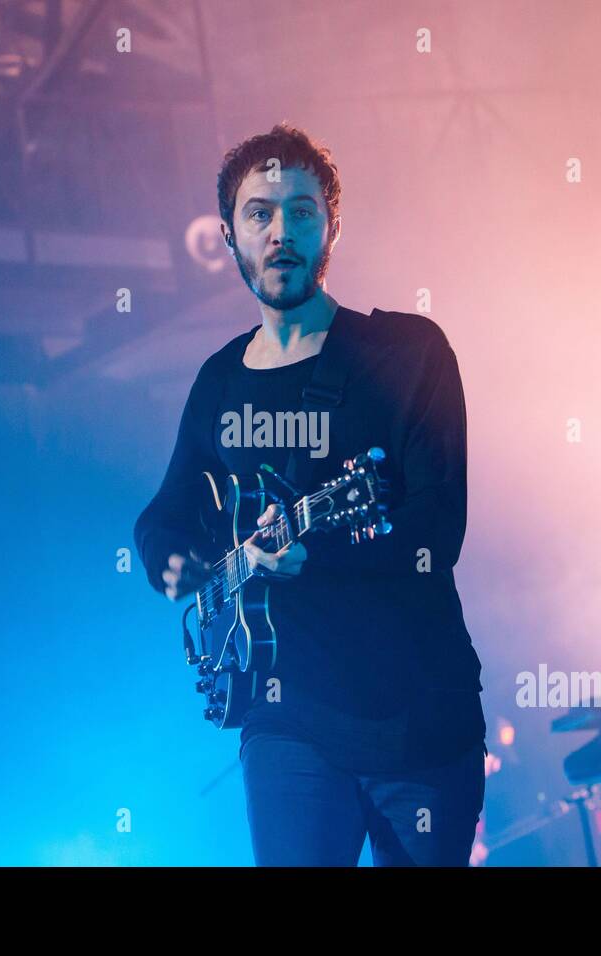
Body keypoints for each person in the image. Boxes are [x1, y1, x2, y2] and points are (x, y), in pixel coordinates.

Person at [133, 123, 487, 866]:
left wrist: (313, 557)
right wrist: (182, 566)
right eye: (258, 213)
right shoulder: (219, 381)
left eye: (300, 210)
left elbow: (437, 533)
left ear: (331, 225)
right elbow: (165, 516)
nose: (280, 230)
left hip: (418, 716)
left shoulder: (406, 354)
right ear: (229, 236)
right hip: (286, 715)